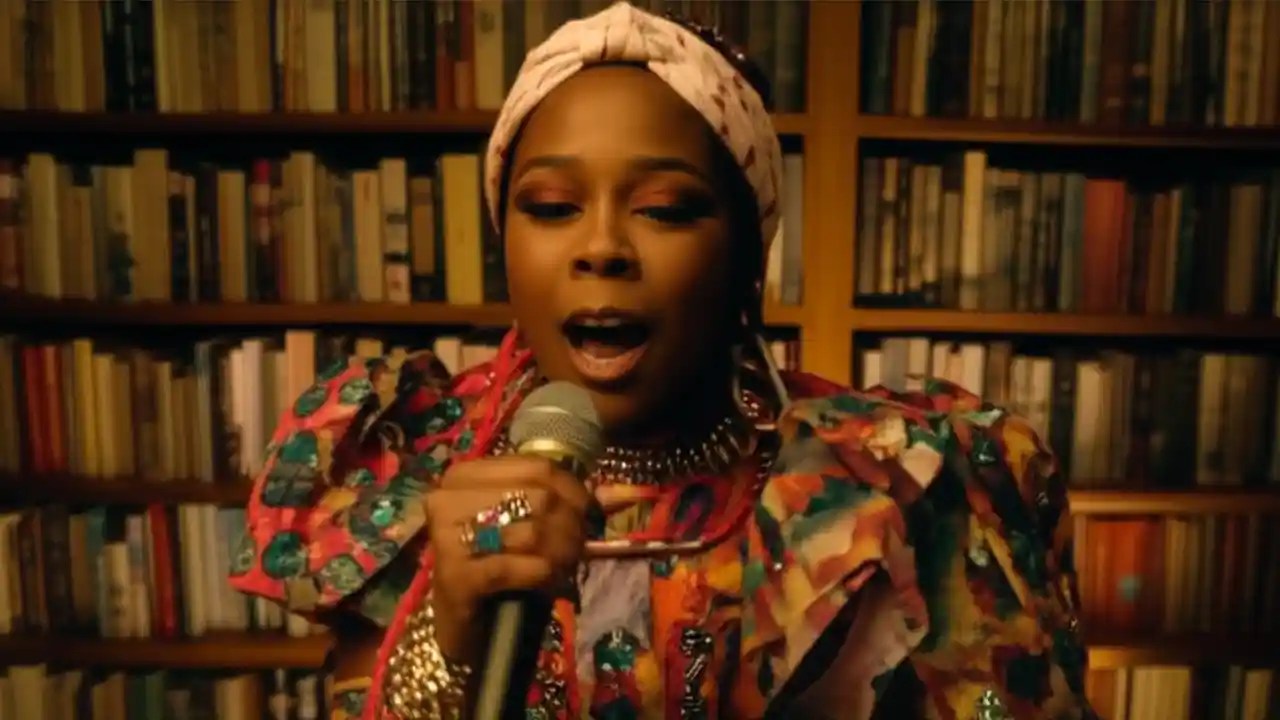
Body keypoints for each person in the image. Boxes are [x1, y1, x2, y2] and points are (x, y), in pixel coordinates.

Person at [229, 3, 1095, 719]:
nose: (602, 248)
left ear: (748, 259)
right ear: (506, 240)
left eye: (667, 209)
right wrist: (449, 631)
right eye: (553, 205)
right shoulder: (405, 469)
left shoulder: (894, 487)